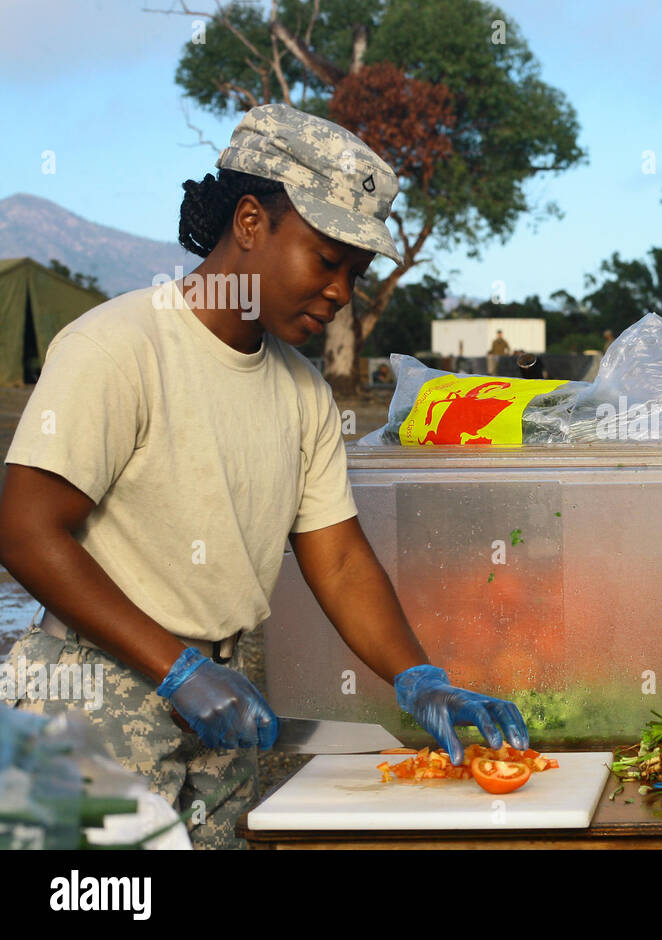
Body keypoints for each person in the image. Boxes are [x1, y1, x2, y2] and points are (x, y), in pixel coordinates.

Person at [0, 104, 528, 849]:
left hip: (229, 701)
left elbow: (339, 561)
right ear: (251, 221)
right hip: (95, 695)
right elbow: (24, 531)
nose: (342, 291)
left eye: (356, 272)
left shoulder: (302, 392)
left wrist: (419, 677)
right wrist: (176, 669)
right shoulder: (119, 348)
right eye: (326, 259)